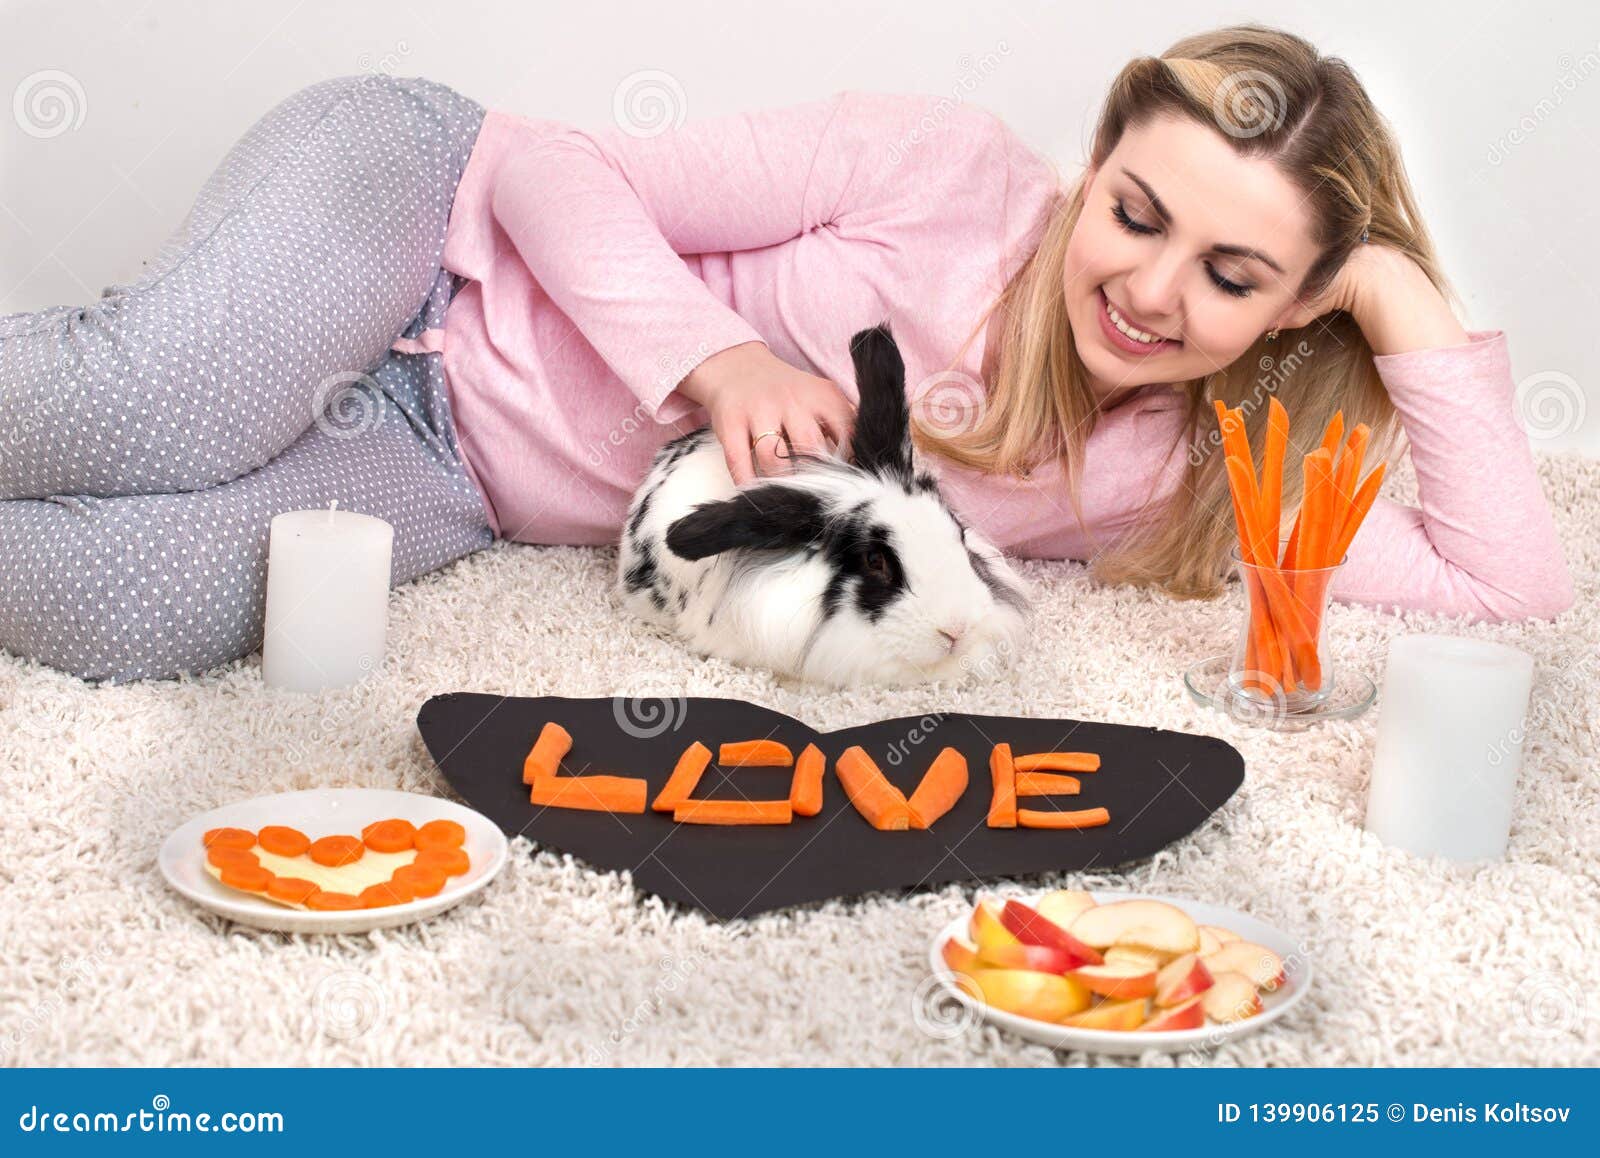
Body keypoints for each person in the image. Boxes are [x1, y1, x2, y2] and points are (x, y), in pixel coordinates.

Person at [0, 24, 1573, 684]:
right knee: (154, 400)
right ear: (1094, 164)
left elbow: (1509, 581)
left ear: (1291, 309)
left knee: (139, 611)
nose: (1150, 290)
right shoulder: (941, 170)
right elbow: (552, 164)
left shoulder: (1182, 471)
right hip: (421, 215)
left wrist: (1397, 301)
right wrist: (718, 361)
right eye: (1135, 213)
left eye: (1233, 276)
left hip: (443, 459)